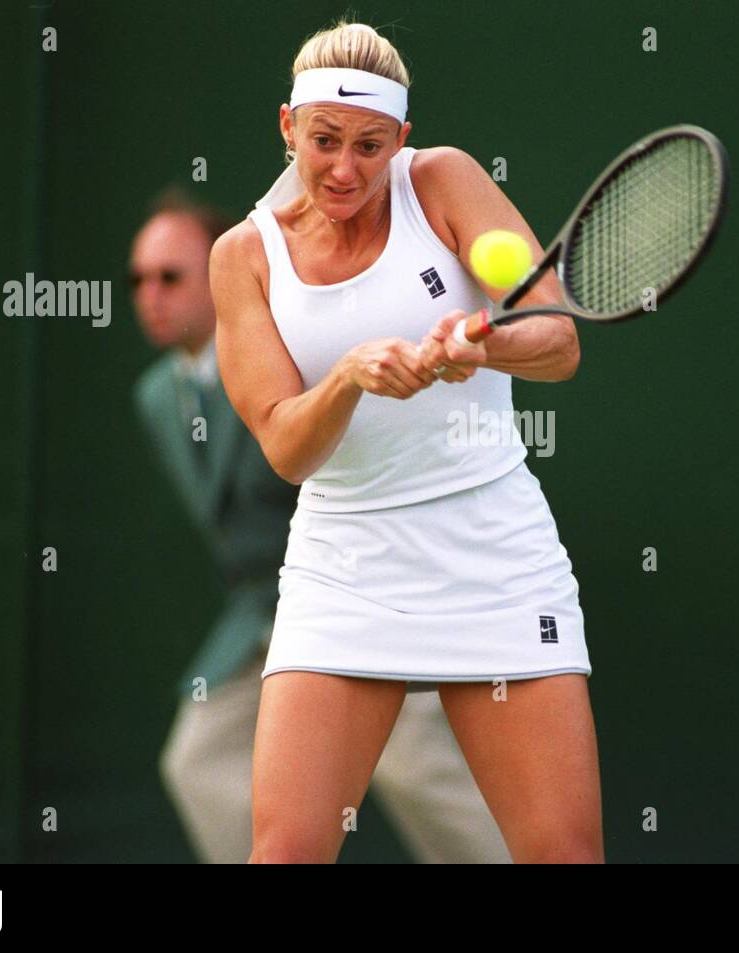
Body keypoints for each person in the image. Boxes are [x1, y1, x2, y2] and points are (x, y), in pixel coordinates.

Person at [209, 20, 604, 864]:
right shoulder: (242, 256)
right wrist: (350, 374)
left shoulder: (446, 183)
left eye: (370, 145)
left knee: (563, 856)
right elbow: (285, 446)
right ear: (287, 128)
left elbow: (560, 341)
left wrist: (484, 341)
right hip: (346, 565)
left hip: (493, 550)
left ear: (402, 140)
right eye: (324, 142)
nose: (346, 169)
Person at [129, 189, 511, 863]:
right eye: (138, 280)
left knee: (413, 766)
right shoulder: (158, 396)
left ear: (218, 278)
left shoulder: (287, 349)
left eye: (170, 276)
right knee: (196, 759)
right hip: (260, 622)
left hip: (361, 590)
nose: (151, 294)